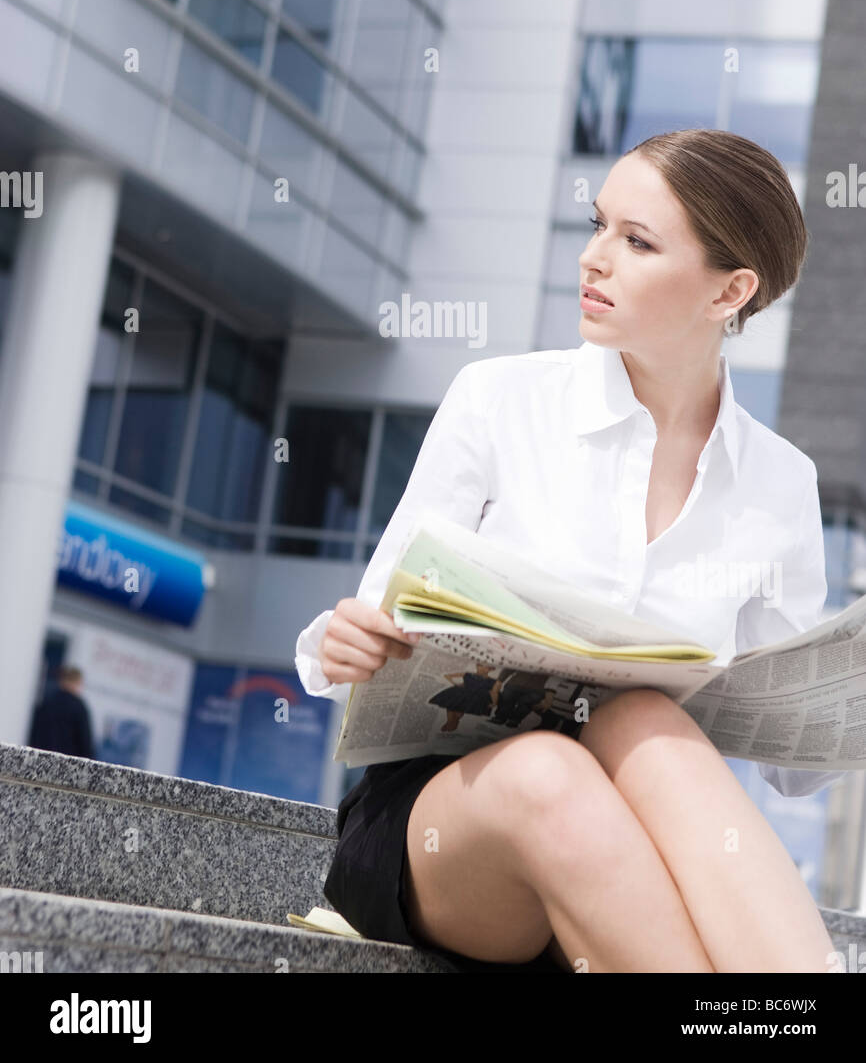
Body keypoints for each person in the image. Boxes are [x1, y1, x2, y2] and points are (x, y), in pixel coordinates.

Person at [295, 128, 848, 974]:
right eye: (598, 226)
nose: (594, 259)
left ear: (729, 290)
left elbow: (793, 766)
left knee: (644, 720)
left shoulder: (779, 483)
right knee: (553, 767)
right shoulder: (499, 401)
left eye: (636, 241)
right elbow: (377, 626)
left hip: (636, 847)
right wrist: (343, 643)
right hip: (452, 832)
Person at [28, 664, 97, 760]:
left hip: (42, 759)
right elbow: (85, 743)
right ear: (77, 682)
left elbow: (35, 733)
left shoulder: (47, 702)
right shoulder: (79, 707)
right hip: (68, 763)